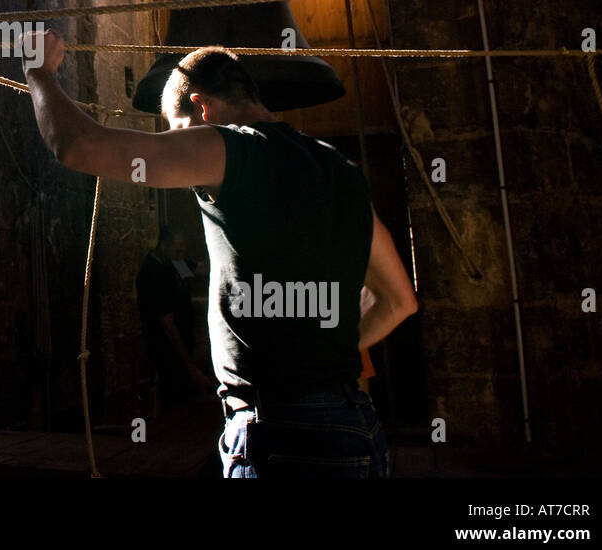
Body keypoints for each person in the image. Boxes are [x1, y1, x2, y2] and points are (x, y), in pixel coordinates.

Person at [24, 33, 418, 477]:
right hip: (355, 428)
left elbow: (76, 146)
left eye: (176, 130)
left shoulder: (226, 145)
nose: (178, 147)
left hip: (280, 432)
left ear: (202, 107)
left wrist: (39, 73)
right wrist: (317, 359)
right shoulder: (342, 171)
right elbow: (400, 300)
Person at [136, 225, 210, 406]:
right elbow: (168, 327)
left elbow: (201, 269)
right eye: (177, 252)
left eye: (183, 252)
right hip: (166, 349)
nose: (181, 256)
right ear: (163, 246)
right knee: (177, 401)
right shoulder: (152, 275)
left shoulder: (175, 262)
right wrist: (191, 368)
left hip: (183, 342)